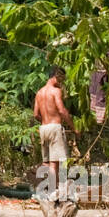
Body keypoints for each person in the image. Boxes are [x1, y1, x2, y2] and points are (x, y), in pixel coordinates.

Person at [33, 67, 75, 199]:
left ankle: (43, 191)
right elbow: (62, 110)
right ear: (56, 76)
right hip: (54, 127)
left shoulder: (39, 92)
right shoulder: (56, 91)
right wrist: (73, 127)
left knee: (46, 162)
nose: (63, 81)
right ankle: (52, 192)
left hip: (43, 128)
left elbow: (35, 114)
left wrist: (45, 121)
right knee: (55, 163)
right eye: (62, 78)